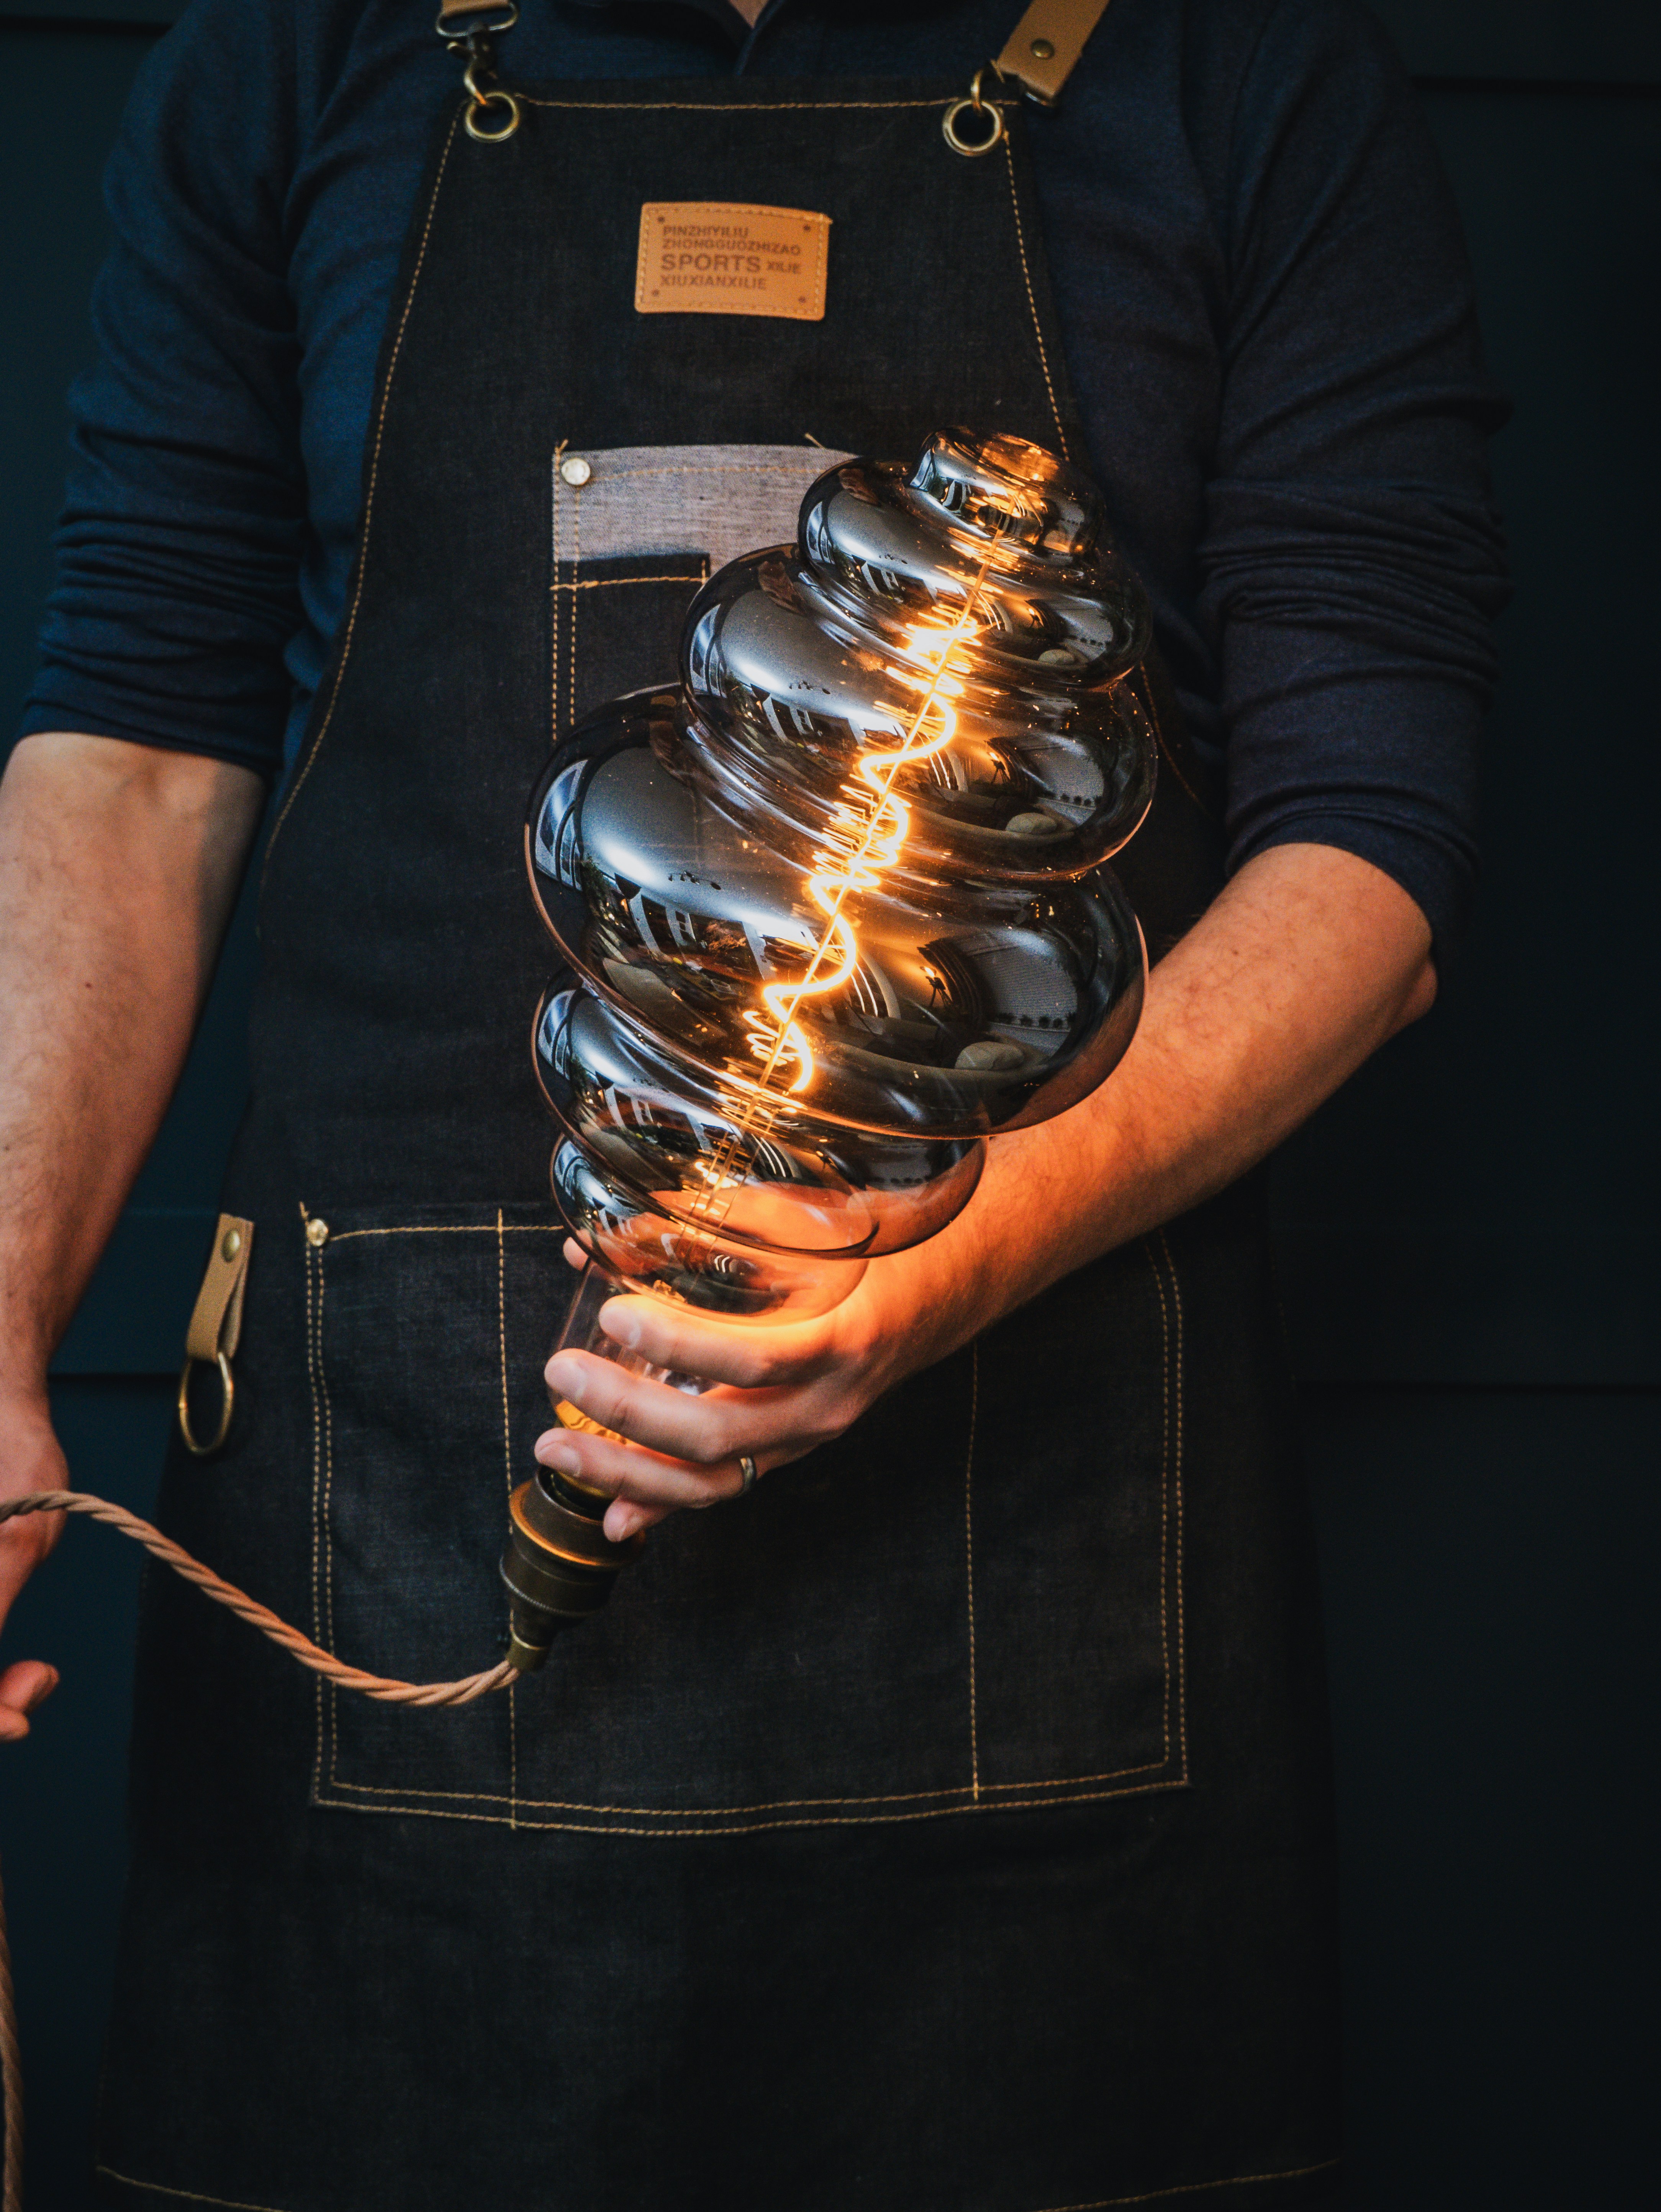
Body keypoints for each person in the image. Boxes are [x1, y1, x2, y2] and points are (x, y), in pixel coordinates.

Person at [0, 2, 1507, 2206]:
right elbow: (133, 753)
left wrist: (937, 1266)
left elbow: (1370, 842)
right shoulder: (292, 58)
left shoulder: (1248, 74)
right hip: (389, 1510)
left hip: (1045, 1553)